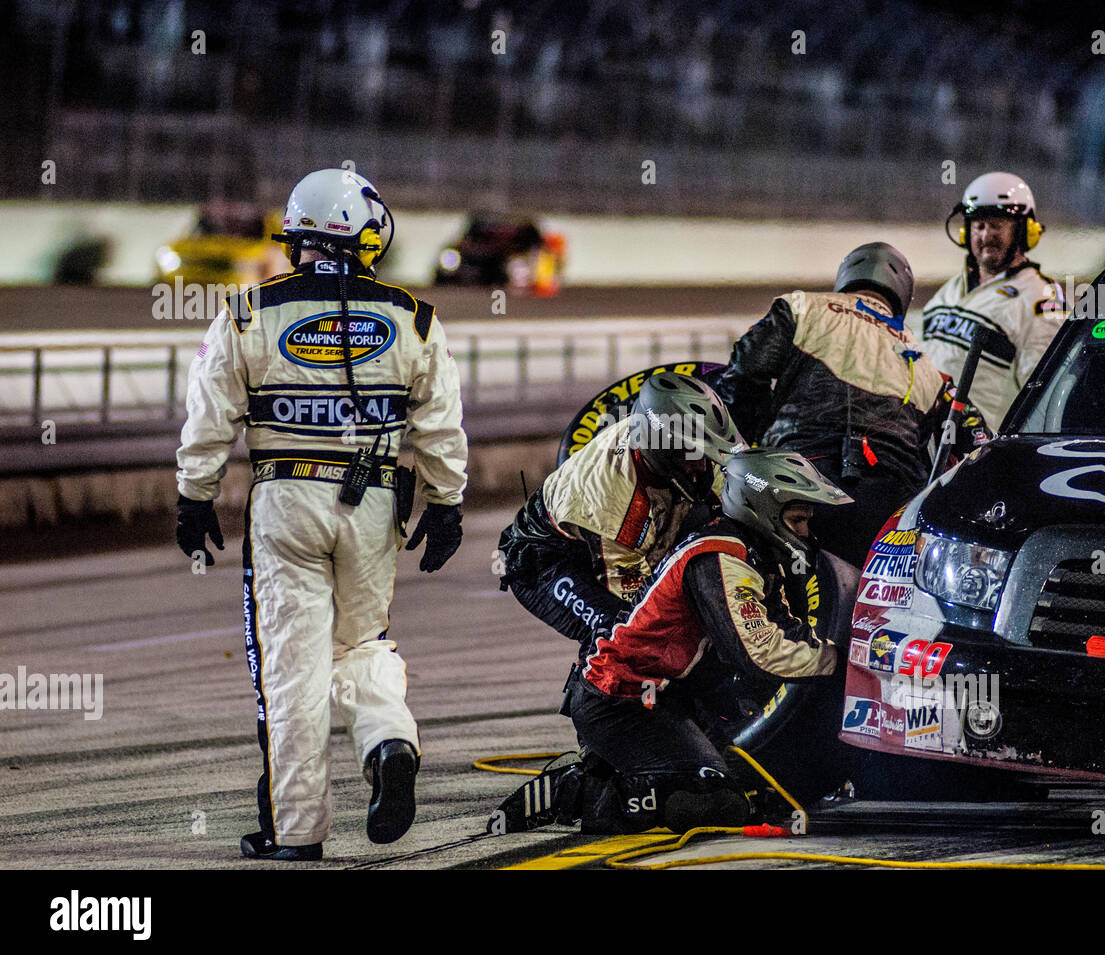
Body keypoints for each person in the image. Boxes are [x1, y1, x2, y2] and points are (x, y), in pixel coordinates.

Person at [175, 168, 468, 861]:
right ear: (365, 233)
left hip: (285, 499)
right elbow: (441, 424)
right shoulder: (415, 317)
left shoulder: (248, 311)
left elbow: (209, 414)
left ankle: (296, 831)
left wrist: (195, 494)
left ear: (297, 232)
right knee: (363, 643)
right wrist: (448, 501)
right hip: (373, 504)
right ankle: (389, 741)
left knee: (293, 668)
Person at [491, 447, 849, 835]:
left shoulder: (753, 553)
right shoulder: (721, 556)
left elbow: (787, 632)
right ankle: (579, 789)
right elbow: (758, 653)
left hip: (669, 693)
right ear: (762, 508)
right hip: (620, 701)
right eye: (798, 520)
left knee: (762, 787)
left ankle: (637, 766)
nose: (806, 533)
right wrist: (844, 661)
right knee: (714, 802)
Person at [713, 242, 954, 569]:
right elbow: (944, 452)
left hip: (800, 482)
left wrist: (743, 451)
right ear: (901, 296)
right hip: (889, 507)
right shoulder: (922, 361)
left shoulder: (802, 307)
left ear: (845, 277)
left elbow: (744, 372)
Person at [496, 372, 745, 663]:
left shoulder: (669, 438)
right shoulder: (617, 503)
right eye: (695, 455)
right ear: (663, 451)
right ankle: (600, 701)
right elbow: (639, 604)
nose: (704, 465)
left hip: (612, 525)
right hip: (545, 558)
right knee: (623, 633)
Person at [920, 171, 1068, 429]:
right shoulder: (951, 288)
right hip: (926, 444)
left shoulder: (1040, 298)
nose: (986, 235)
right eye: (978, 226)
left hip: (976, 454)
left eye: (997, 225)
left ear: (1023, 231)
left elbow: (1045, 399)